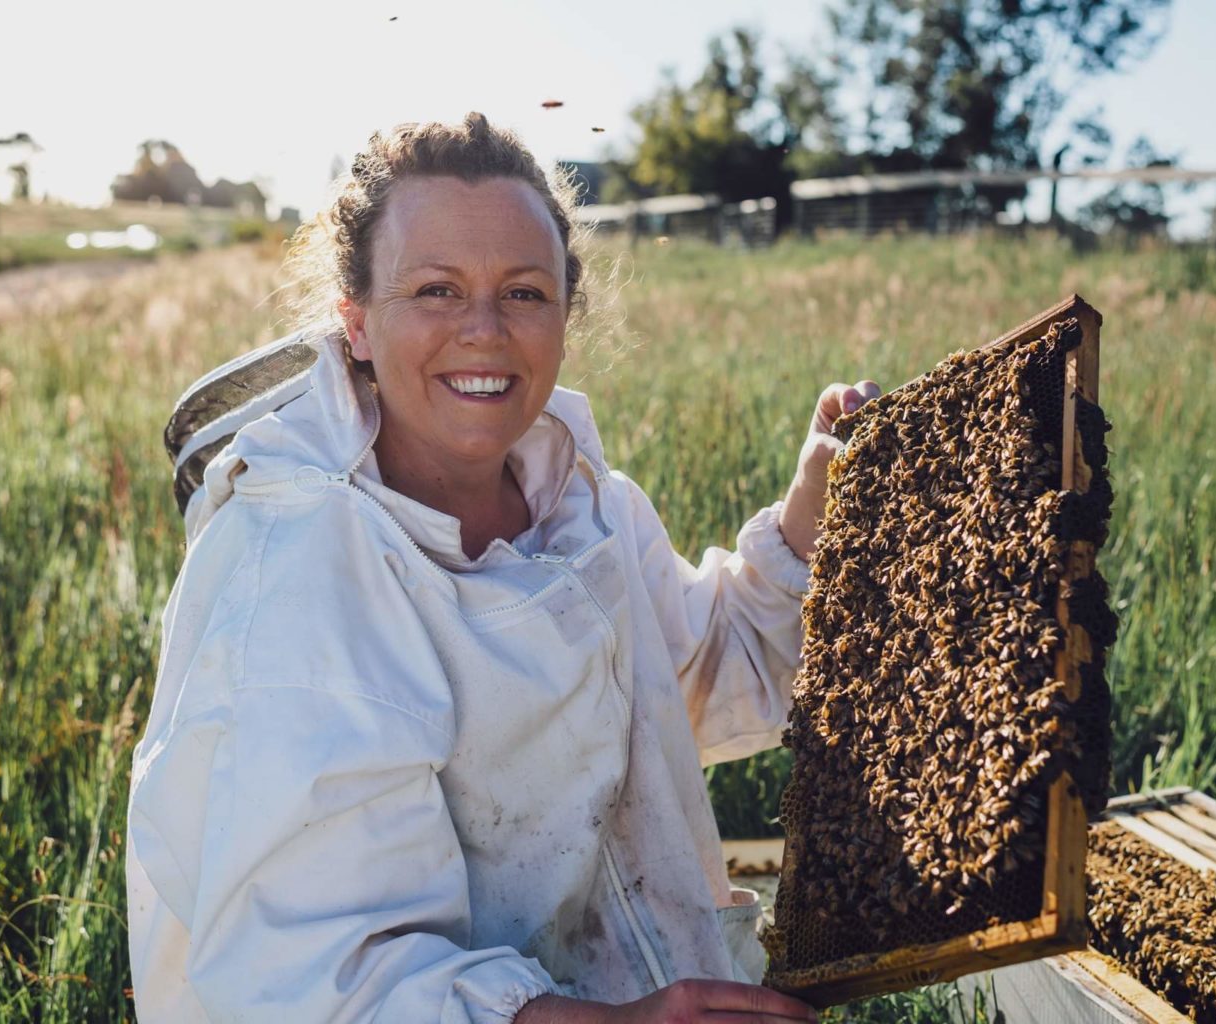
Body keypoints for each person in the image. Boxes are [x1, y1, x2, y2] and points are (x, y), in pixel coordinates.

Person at [126, 113, 880, 1023]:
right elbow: (310, 980)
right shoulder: (294, 568)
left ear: (567, 312)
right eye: (437, 290)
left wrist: (813, 504)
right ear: (356, 324)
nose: (483, 331)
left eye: (524, 293)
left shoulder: (587, 508)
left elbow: (695, 678)